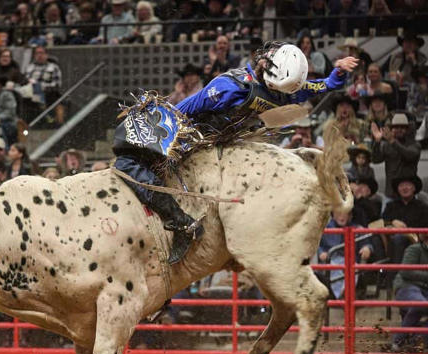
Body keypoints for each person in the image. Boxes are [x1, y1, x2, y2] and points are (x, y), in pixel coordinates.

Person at [113, 42, 357, 263]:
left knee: (126, 164)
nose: (266, 56)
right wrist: (338, 72)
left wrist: (154, 132)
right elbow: (325, 85)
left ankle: (181, 223)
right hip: (227, 140)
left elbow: (184, 110)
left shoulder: (229, 87)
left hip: (192, 139)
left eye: (270, 57)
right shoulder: (284, 92)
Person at [391, 232, 428, 351]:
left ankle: (416, 339)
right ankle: (398, 340)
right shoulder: (414, 249)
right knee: (420, 304)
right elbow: (405, 271)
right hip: (407, 286)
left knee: (421, 304)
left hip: (424, 291)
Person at [371, 113, 421, 198]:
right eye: (396, 127)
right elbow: (375, 160)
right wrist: (377, 142)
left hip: (410, 194)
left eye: (402, 127)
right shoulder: (386, 145)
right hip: (391, 193)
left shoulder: (414, 145)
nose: (399, 130)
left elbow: (410, 155)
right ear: (391, 129)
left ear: (407, 129)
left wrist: (393, 141)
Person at [383, 176, 428, 268]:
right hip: (392, 239)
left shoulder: (422, 207)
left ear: (414, 188)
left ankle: (398, 271)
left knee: (399, 239)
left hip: (416, 240)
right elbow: (382, 221)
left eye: (408, 185)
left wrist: (409, 231)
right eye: (401, 186)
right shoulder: (390, 206)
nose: (404, 188)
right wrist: (393, 222)